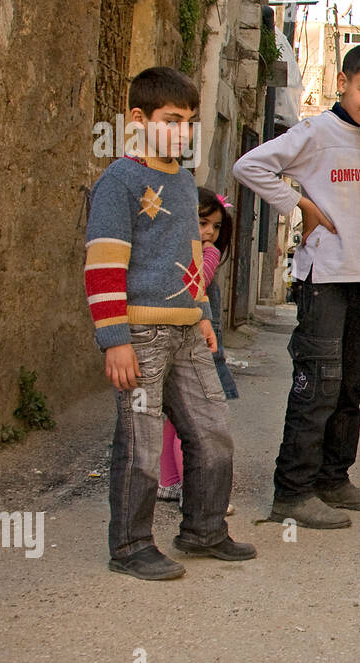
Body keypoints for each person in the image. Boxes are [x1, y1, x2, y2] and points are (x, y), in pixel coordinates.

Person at [84, 66, 256, 580]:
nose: (183, 132)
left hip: (187, 332)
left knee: (212, 431)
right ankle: (131, 547)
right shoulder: (119, 181)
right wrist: (114, 339)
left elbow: (192, 254)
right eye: (172, 120)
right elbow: (104, 264)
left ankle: (204, 531)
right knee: (140, 443)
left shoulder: (182, 183)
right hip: (140, 335)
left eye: (189, 122)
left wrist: (202, 314)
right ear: (139, 120)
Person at [232, 44, 360, 529]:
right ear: (342, 82)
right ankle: (292, 492)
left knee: (349, 385)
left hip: (355, 276)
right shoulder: (315, 131)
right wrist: (299, 205)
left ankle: (333, 479)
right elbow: (249, 166)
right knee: (317, 386)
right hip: (322, 277)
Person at [158, 189, 239, 515]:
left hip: (185, 343)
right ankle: (194, 491)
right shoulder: (199, 255)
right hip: (191, 347)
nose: (210, 233)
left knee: (175, 417)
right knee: (195, 419)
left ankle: (169, 481)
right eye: (202, 223)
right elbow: (196, 283)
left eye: (216, 227)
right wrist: (209, 255)